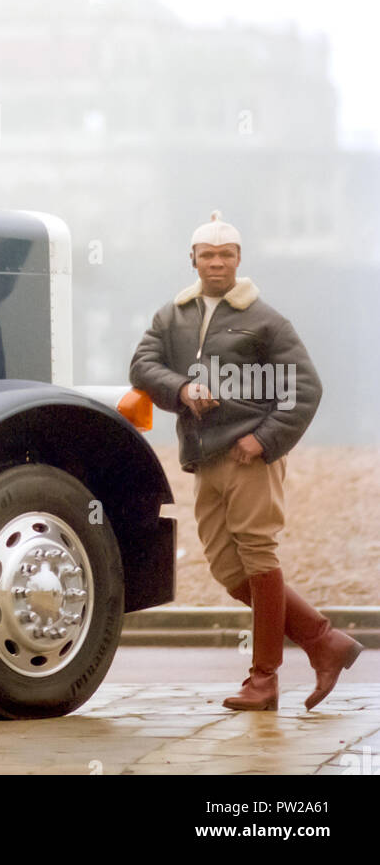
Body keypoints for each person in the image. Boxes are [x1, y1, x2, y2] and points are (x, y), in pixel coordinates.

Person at [129, 210, 364, 712]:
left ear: (239, 259)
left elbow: (305, 387)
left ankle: (265, 679)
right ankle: (323, 641)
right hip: (202, 456)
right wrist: (182, 388)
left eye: (226, 254)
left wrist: (265, 439)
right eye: (208, 254)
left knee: (258, 555)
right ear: (192, 258)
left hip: (250, 457)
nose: (217, 263)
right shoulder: (173, 315)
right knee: (226, 568)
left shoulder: (266, 319)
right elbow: (143, 365)